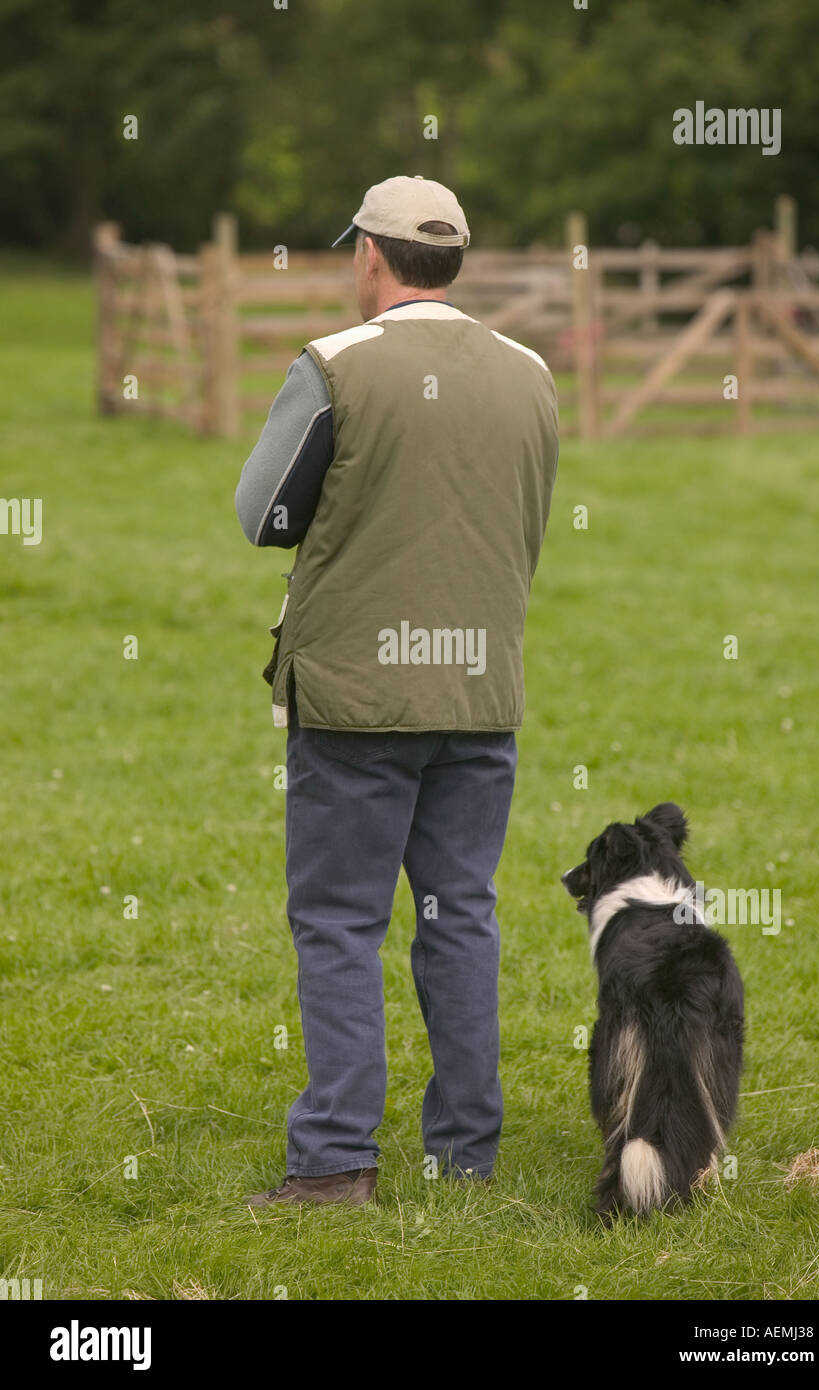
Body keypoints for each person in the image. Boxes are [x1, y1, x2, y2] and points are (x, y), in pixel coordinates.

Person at [235, 175, 559, 1208]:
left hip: (354, 697)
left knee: (339, 922)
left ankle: (333, 1163)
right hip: (480, 690)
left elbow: (262, 513)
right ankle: (466, 1154)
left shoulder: (334, 363)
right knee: (460, 911)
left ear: (371, 254)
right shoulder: (530, 372)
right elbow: (524, 521)